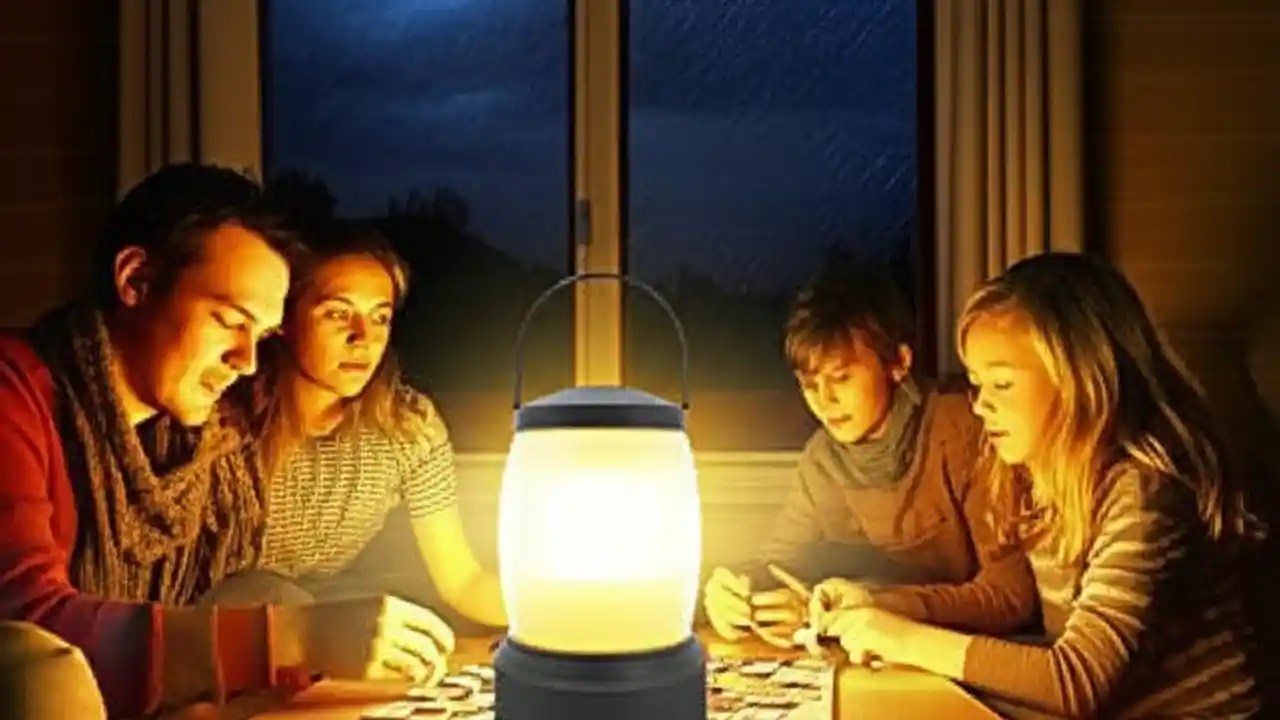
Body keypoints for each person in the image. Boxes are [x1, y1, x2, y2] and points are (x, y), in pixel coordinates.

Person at [0, 163, 454, 718]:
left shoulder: (201, 447)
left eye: (262, 335)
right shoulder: (16, 393)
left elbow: (221, 599)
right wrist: (290, 638)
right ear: (136, 281)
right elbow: (30, 631)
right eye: (228, 321)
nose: (247, 361)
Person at [810, 252, 1263, 718]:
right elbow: (1021, 618)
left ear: (1079, 381)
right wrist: (882, 603)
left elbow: (1074, 680)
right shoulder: (1036, 476)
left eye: (1002, 385)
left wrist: (898, 637)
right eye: (976, 383)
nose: (981, 405)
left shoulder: (1144, 492)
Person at [702, 260, 1036, 644]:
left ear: (898, 362)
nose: (824, 401)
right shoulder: (823, 462)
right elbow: (779, 563)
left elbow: (1011, 597)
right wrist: (740, 596)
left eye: (841, 378)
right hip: (880, 656)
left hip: (971, 660)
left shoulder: (961, 428)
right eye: (809, 384)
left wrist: (878, 605)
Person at [218, 219, 504, 627]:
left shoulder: (407, 429)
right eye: (337, 314)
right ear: (283, 317)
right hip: (207, 625)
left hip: (311, 621)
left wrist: (568, 612)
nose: (363, 338)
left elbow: (463, 582)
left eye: (380, 318)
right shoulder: (221, 422)